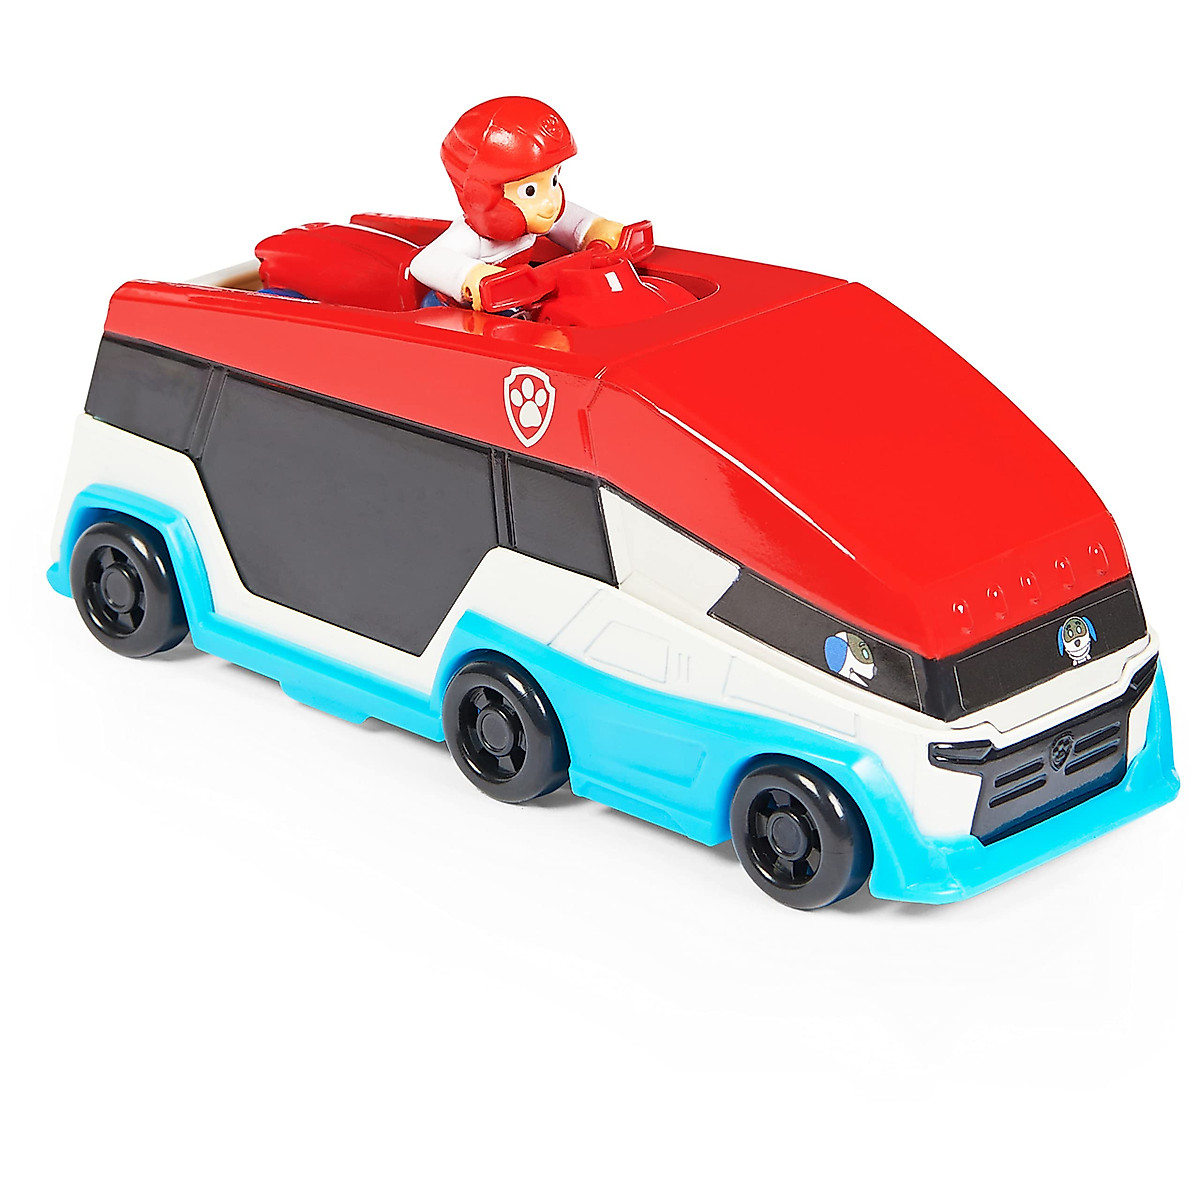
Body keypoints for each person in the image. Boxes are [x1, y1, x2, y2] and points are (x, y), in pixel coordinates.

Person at [410, 97, 624, 312]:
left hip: (512, 301)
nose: (550, 203)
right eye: (529, 191)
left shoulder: (536, 217)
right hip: (459, 310)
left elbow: (573, 222)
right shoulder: (472, 238)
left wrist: (595, 229)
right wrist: (473, 275)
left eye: (553, 181)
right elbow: (424, 262)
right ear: (482, 196)